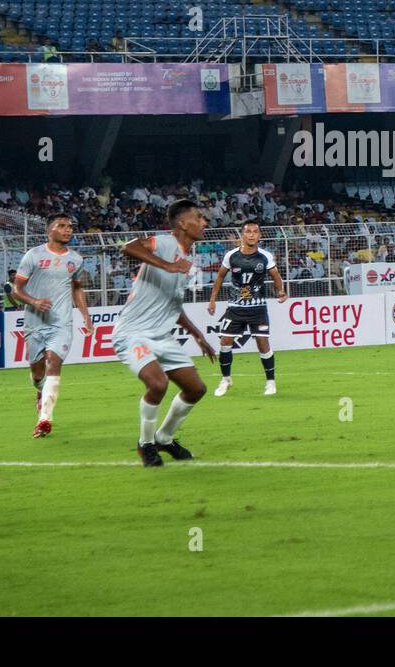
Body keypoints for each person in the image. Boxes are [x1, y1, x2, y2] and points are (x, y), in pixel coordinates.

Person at [111, 200, 216, 467]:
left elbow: (173, 304)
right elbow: (129, 246)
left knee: (196, 389)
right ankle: (145, 445)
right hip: (132, 333)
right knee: (157, 384)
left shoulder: (187, 261)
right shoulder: (165, 243)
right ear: (182, 223)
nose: (205, 222)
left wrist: (197, 334)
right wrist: (166, 266)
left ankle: (164, 439)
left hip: (161, 336)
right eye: (199, 217)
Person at [12, 214, 91, 438]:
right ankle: (40, 391)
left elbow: (76, 289)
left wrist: (85, 315)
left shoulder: (76, 259)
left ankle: (45, 419)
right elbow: (17, 289)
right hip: (35, 322)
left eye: (70, 226)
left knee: (53, 363)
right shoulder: (34, 255)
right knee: (38, 374)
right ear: (50, 230)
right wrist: (35, 301)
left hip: (61, 323)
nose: (68, 230)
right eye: (62, 226)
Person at [207, 220, 287, 397]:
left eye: (255, 232)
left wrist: (281, 291)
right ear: (242, 235)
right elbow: (220, 277)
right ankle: (226, 379)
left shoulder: (265, 256)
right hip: (235, 308)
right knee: (225, 343)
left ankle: (270, 382)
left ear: (260, 235)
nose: (251, 234)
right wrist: (212, 300)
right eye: (248, 231)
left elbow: (276, 276)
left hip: (257, 309)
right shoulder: (231, 256)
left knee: (263, 344)